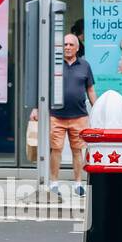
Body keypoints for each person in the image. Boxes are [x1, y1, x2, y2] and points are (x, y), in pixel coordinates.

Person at [31, 32, 96, 189]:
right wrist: (36, 108)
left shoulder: (85, 66)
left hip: (79, 116)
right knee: (56, 149)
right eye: (64, 44)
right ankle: (54, 182)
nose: (67, 47)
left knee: (77, 150)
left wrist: (98, 108)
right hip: (56, 116)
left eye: (71, 45)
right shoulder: (53, 65)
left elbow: (91, 90)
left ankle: (78, 183)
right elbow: (42, 89)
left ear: (77, 48)